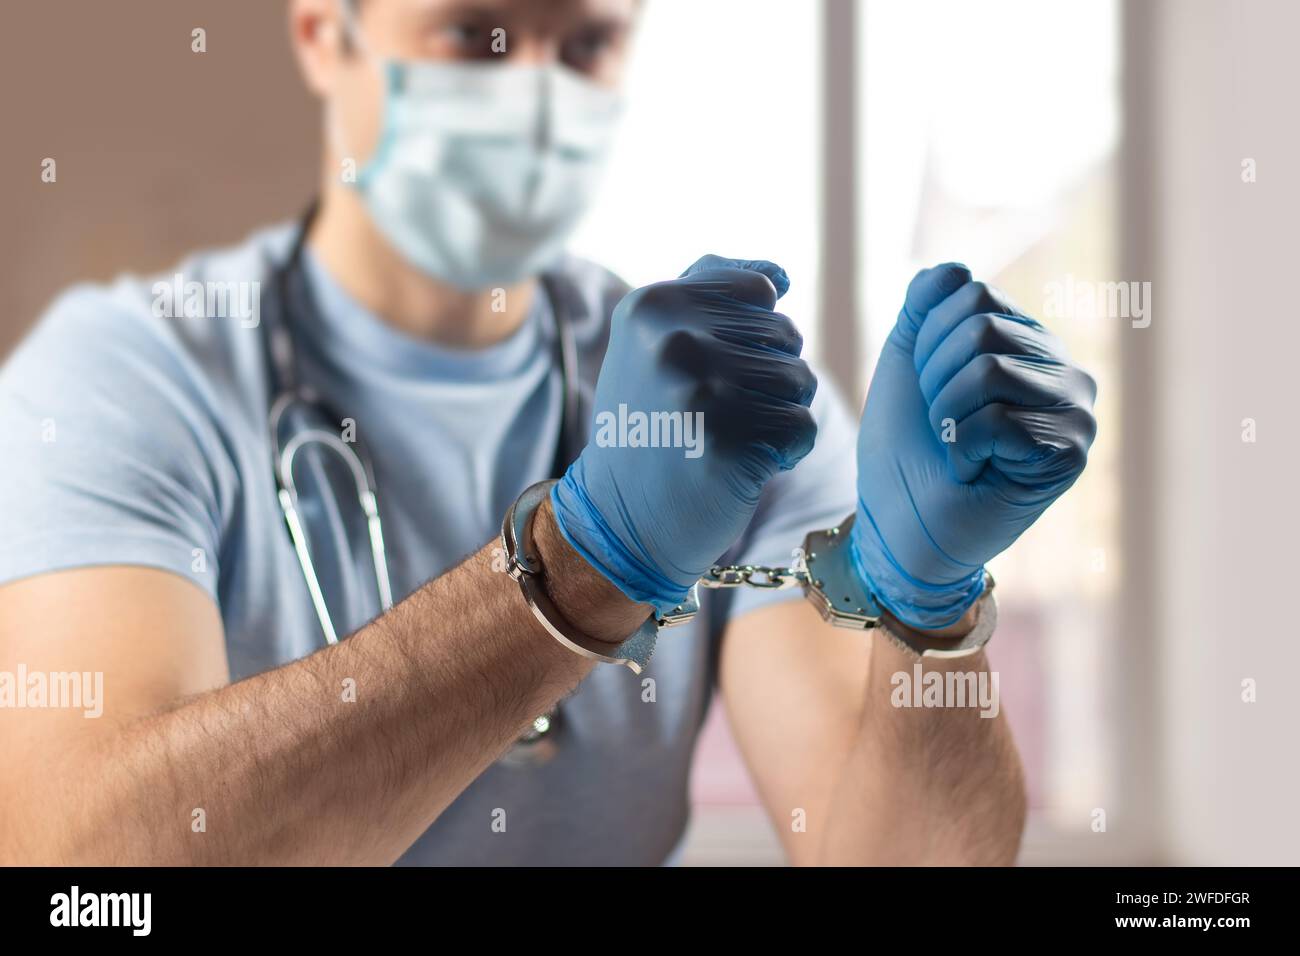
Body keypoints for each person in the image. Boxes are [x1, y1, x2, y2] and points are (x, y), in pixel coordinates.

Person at [0, 0, 1095, 866]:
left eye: (585, 42)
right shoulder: (128, 375)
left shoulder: (726, 405)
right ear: (323, 37)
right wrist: (579, 568)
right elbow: (86, 869)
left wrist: (930, 605)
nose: (534, 91)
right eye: (473, 35)